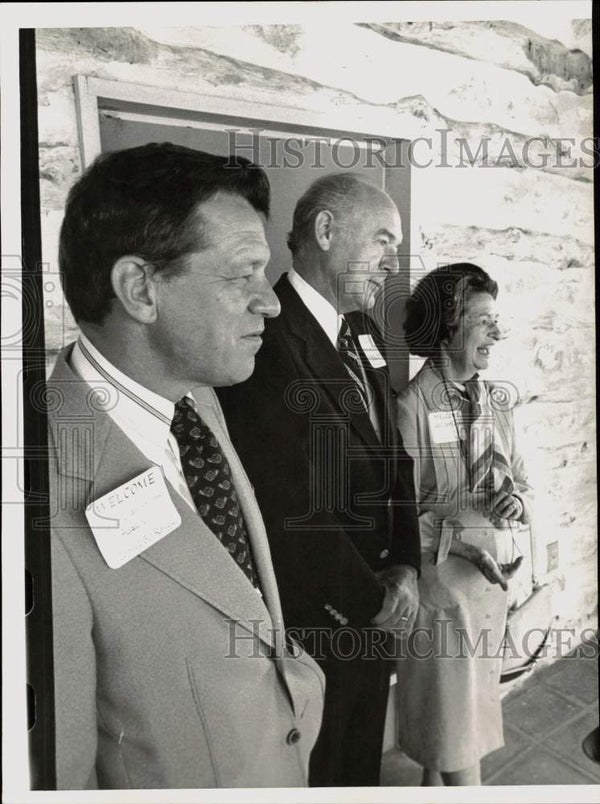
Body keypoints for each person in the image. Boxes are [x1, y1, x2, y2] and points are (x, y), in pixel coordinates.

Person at [47, 143, 325, 789]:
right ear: (141, 289)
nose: (272, 302)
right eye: (242, 275)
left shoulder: (197, 397)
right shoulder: (36, 488)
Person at [217, 173, 421, 787]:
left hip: (385, 604)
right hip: (325, 623)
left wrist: (408, 565)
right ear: (326, 231)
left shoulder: (360, 330)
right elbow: (285, 509)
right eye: (383, 240)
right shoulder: (264, 342)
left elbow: (395, 458)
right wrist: (371, 599)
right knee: (326, 769)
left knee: (361, 766)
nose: (394, 261)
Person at [394, 263, 531, 786]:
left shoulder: (496, 400)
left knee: (448, 732)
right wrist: (459, 538)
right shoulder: (410, 406)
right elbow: (400, 515)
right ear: (446, 327)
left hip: (487, 591)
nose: (496, 332)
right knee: (458, 743)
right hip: (443, 596)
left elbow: (519, 477)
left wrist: (513, 501)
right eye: (481, 320)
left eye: (497, 320)